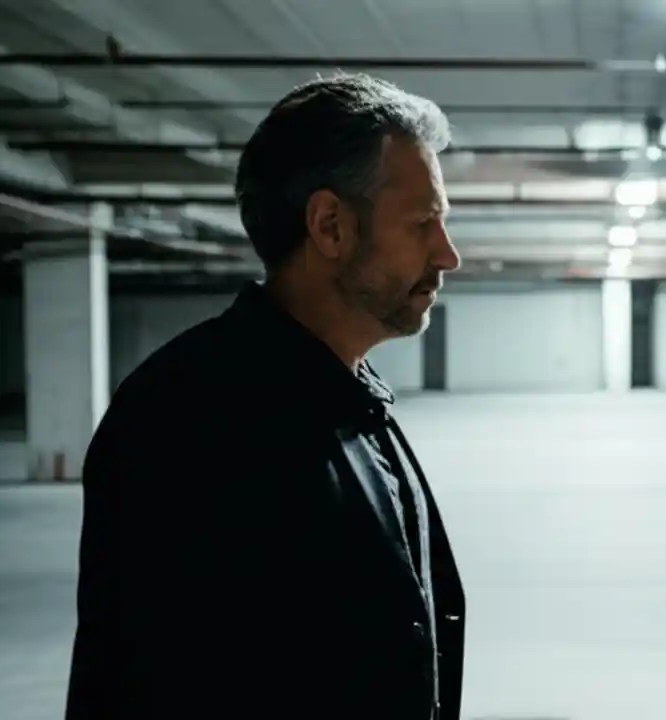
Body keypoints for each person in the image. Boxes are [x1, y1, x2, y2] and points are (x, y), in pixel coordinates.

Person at [65, 74, 465, 720]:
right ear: (330, 226)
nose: (448, 255)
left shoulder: (352, 403)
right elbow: (154, 685)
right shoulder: (189, 423)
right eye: (424, 223)